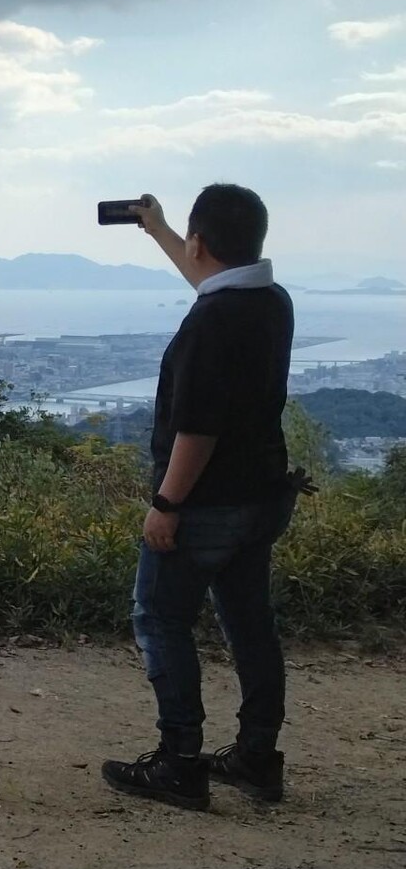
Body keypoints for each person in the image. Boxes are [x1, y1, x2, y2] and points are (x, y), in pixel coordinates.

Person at [101, 183, 301, 811]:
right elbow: (210, 280)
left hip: (205, 505)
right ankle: (257, 758)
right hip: (261, 499)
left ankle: (179, 762)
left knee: (160, 618)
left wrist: (165, 506)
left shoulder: (210, 323)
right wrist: (159, 228)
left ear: (201, 240)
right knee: (249, 625)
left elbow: (197, 429)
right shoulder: (271, 300)